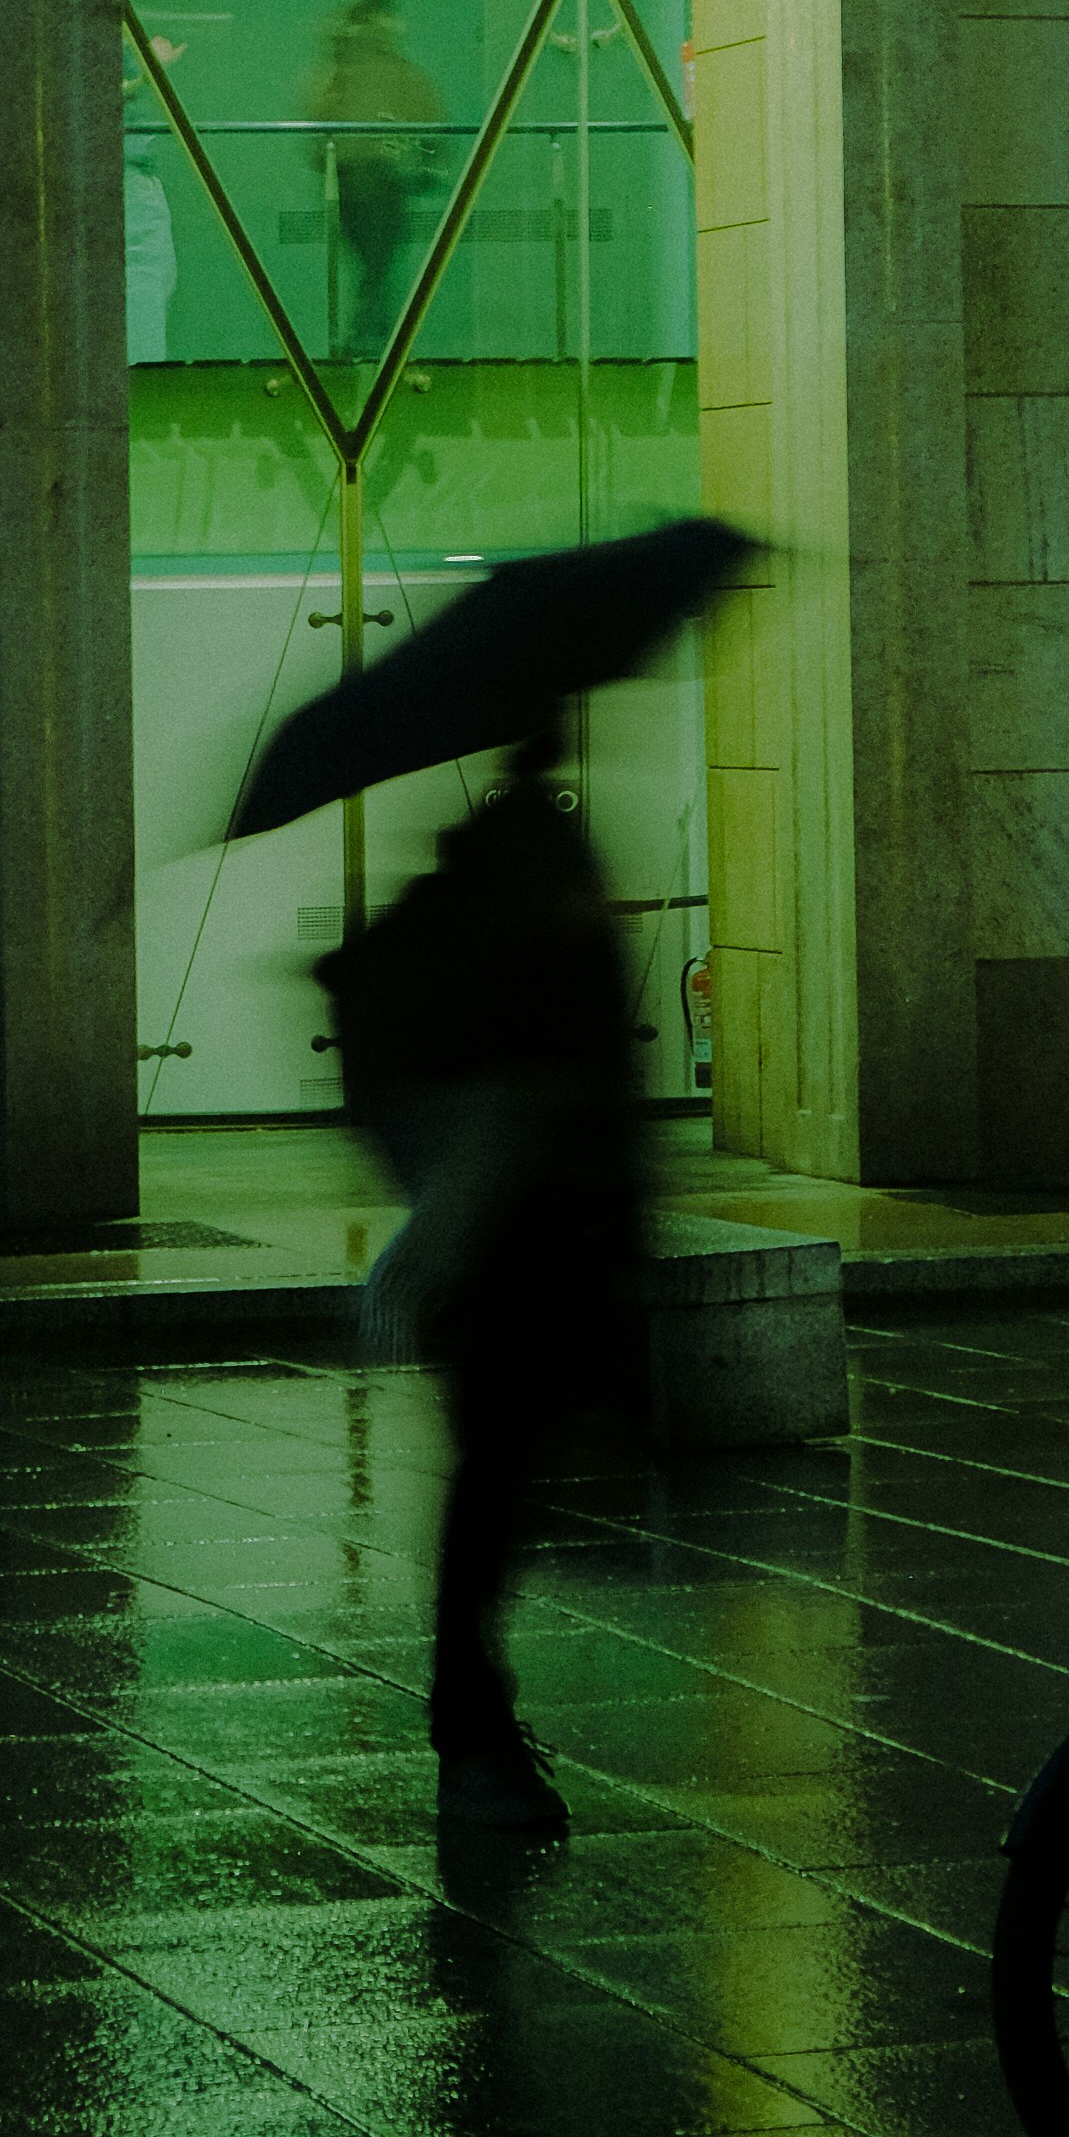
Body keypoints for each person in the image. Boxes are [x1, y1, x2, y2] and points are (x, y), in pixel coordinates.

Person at [320, 721, 647, 1835]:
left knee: (497, 1485)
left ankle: (476, 1718)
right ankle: (471, 1732)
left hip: (515, 1244)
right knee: (498, 1489)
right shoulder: (530, 870)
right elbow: (564, 1075)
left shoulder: (497, 865)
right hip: (526, 1245)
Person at [299, 0, 446, 359]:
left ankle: (369, 340)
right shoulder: (395, 70)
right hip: (380, 179)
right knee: (379, 265)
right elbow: (430, 122)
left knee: (374, 265)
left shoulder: (334, 71)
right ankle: (375, 341)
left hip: (346, 179)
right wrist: (426, 163)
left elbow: (316, 130)